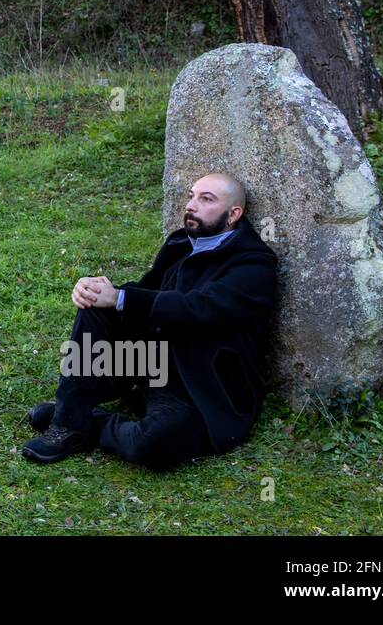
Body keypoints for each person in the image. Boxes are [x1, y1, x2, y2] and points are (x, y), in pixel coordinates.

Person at [22, 173, 278, 469]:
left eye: (206, 199)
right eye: (192, 196)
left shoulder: (254, 265)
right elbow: (148, 293)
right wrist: (97, 290)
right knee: (97, 305)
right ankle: (67, 423)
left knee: (151, 444)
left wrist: (120, 297)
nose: (192, 205)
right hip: (153, 363)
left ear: (233, 214)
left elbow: (198, 308)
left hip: (200, 388)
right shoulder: (182, 243)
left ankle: (88, 422)